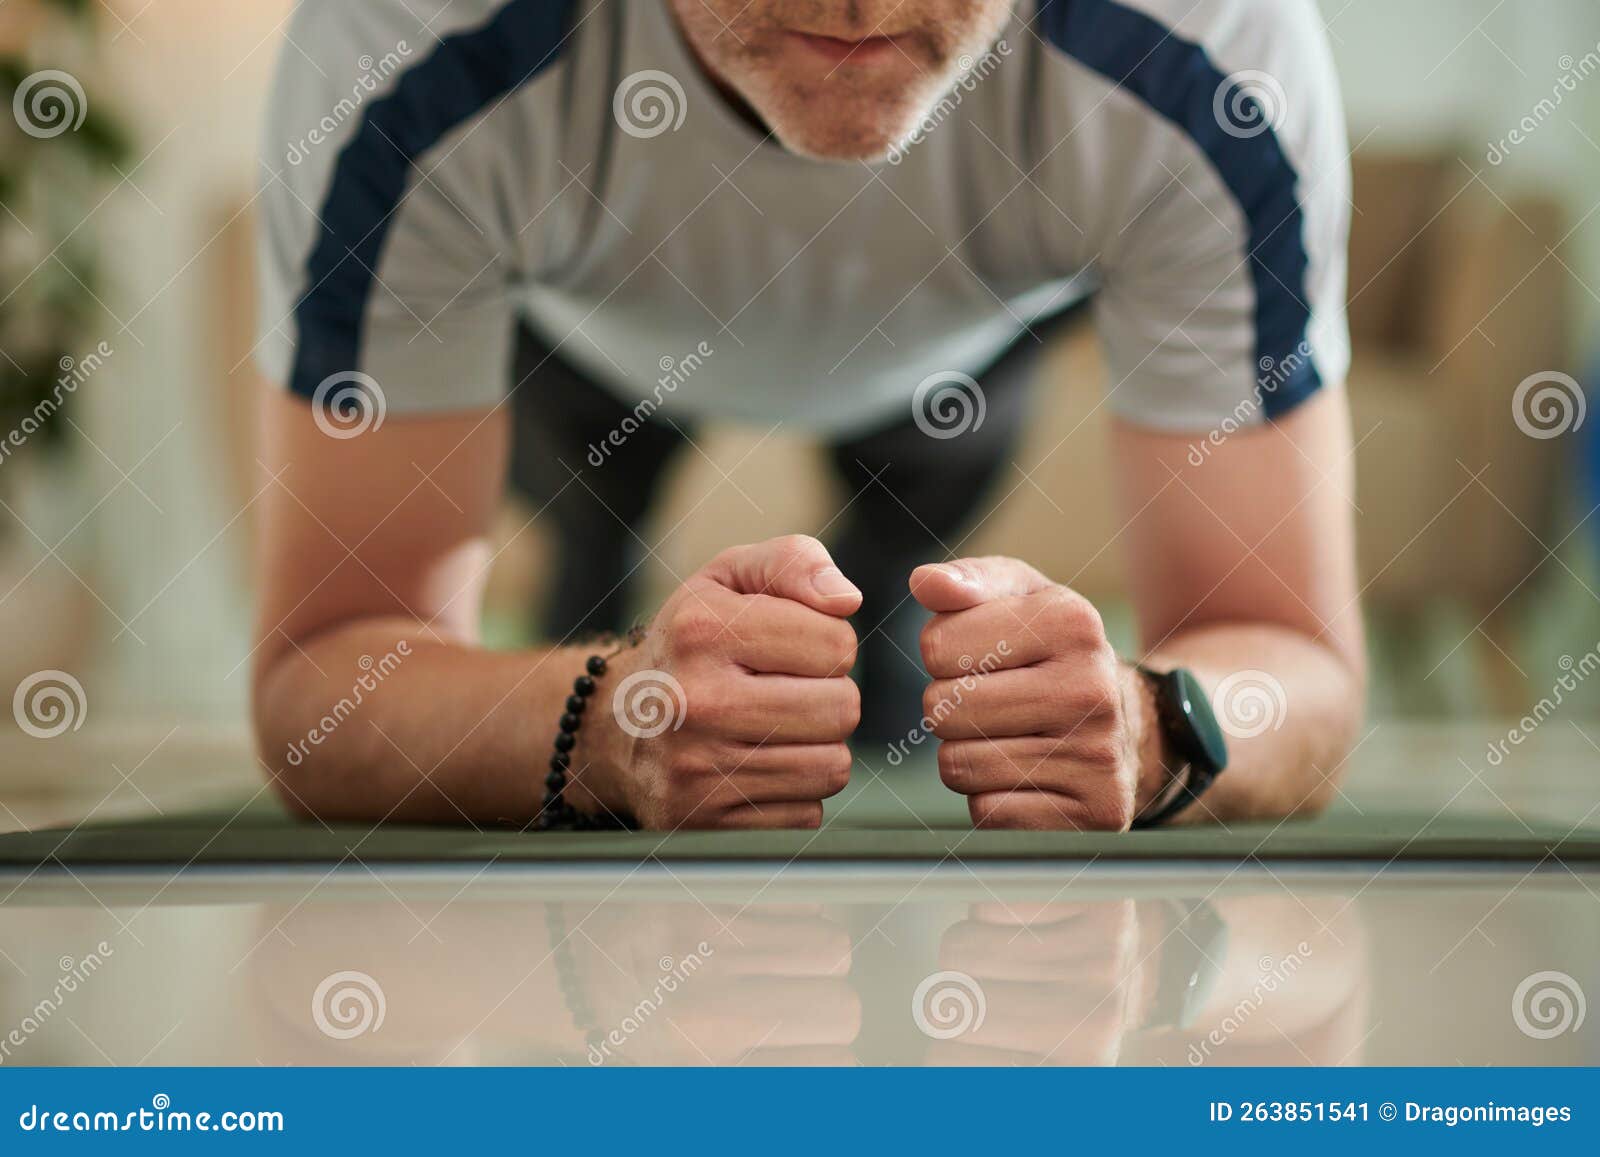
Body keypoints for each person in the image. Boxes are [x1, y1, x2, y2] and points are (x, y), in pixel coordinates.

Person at [251, 0, 1365, 831]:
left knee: (882, 627)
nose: (856, 9)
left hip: (952, 351)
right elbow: (316, 688)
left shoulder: (1213, 51)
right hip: (587, 348)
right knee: (600, 559)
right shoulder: (405, 40)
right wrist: (595, 724)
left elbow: (1299, 660)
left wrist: (1152, 726)